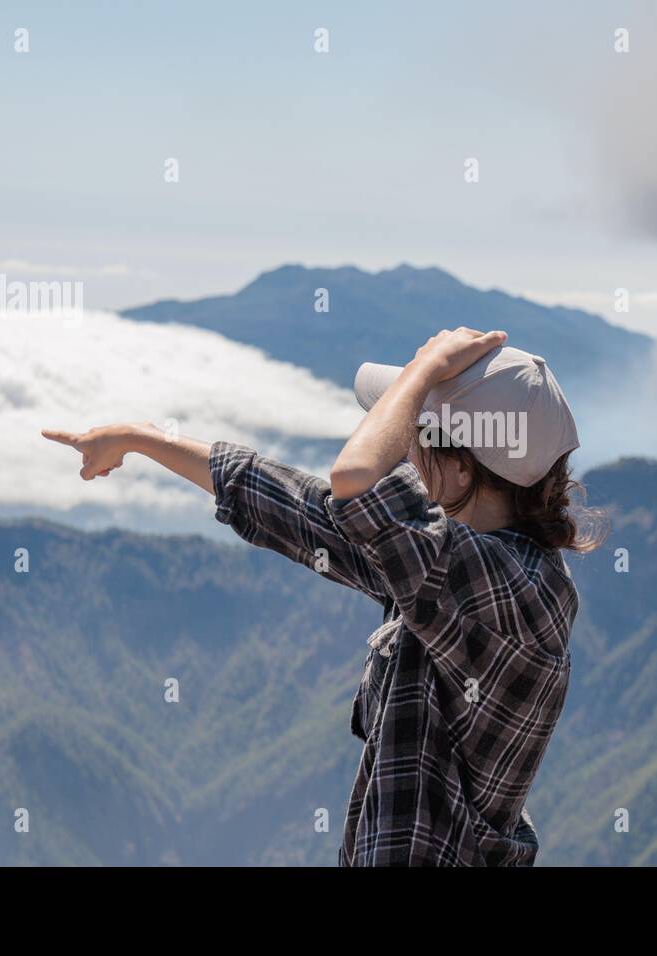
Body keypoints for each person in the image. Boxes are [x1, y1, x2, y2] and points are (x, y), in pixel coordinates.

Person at [43, 327, 603, 866]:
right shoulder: (464, 564)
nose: (402, 451)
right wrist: (141, 438)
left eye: (414, 438)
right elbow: (306, 512)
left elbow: (354, 483)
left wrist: (424, 370)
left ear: (458, 473)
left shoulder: (504, 591)